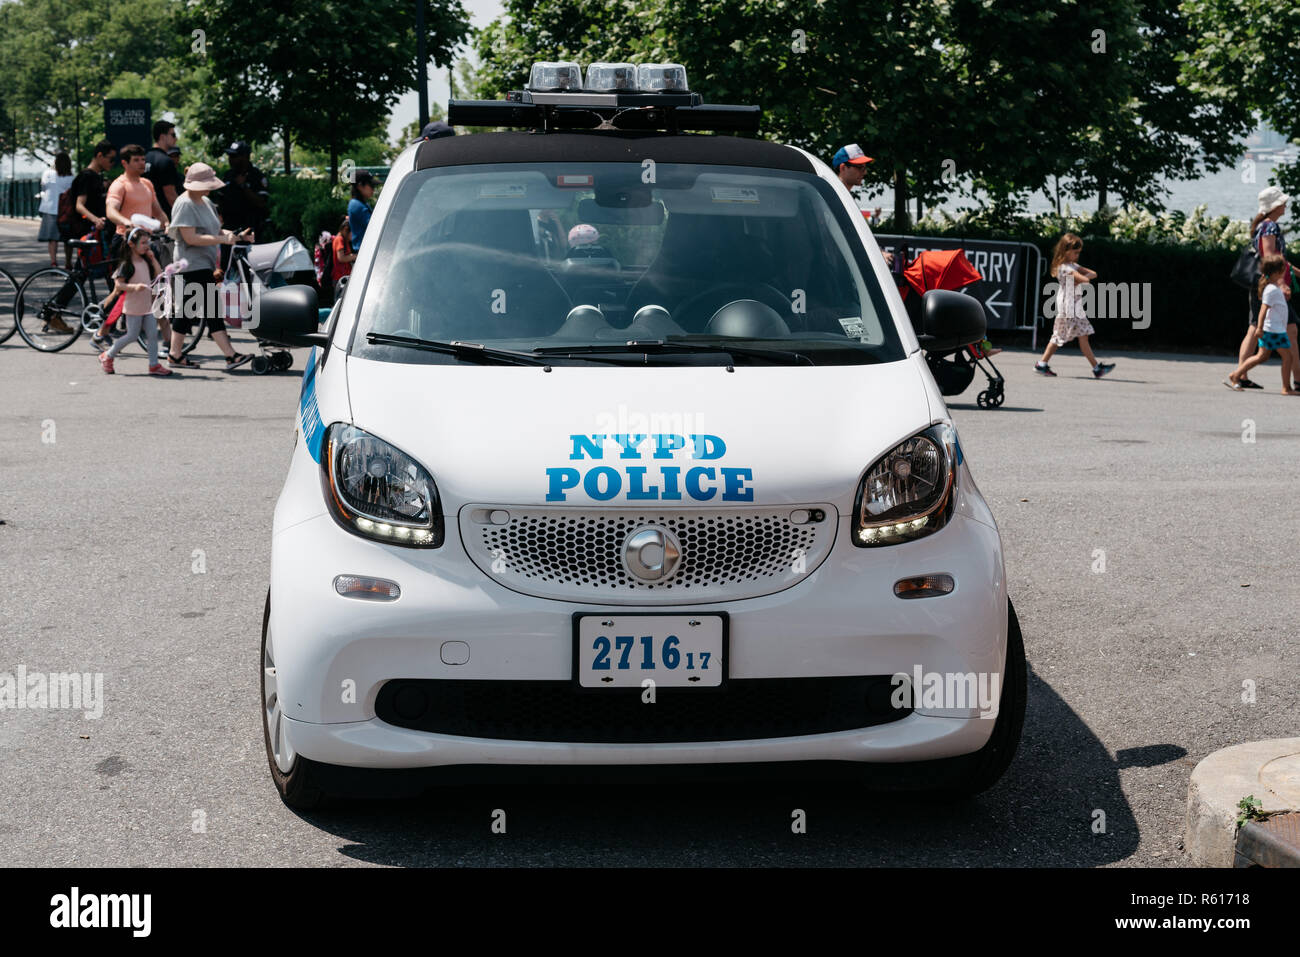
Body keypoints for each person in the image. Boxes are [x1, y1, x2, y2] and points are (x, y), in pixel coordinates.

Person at [166, 162, 254, 370]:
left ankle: (176, 355)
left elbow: (216, 230)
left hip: (201, 264)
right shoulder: (185, 203)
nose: (210, 188)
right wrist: (222, 240)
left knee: (190, 311)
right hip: (190, 265)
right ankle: (229, 356)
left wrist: (237, 236)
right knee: (207, 310)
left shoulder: (205, 201)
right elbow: (191, 238)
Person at [1240, 186, 1300, 391]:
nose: (1285, 205)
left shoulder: (1265, 225)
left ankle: (1241, 375)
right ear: (1275, 206)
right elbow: (1269, 256)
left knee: (1255, 328)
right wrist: (1281, 283)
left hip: (1265, 284)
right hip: (1268, 285)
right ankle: (1240, 375)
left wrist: (1294, 271)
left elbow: (1275, 257)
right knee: (1286, 330)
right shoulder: (1270, 227)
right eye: (1282, 202)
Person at [1035, 233, 1115, 378]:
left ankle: (1096, 368)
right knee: (1060, 336)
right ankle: (1042, 364)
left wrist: (1080, 278)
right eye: (1075, 252)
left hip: (1074, 305)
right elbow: (1086, 280)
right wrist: (1080, 278)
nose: (1077, 255)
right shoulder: (1065, 268)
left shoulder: (1072, 266)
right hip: (1069, 306)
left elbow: (1092, 274)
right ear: (1066, 251)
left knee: (1082, 335)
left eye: (1079, 252)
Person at [98, 227, 171, 376]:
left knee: (152, 335)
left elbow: (158, 274)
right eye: (143, 243)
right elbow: (119, 285)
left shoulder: (146, 261)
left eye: (148, 243)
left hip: (147, 306)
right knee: (131, 335)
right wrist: (134, 287)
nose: (147, 246)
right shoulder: (126, 264)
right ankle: (108, 355)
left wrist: (153, 258)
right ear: (132, 244)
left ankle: (153, 365)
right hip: (133, 307)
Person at [1227, 255, 1298, 394]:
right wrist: (1259, 328)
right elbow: (1263, 310)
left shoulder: (1274, 288)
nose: (1285, 272)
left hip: (1275, 330)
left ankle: (1236, 375)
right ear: (1277, 272)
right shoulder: (1271, 290)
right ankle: (1286, 388)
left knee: (1262, 356)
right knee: (1287, 357)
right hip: (1273, 331)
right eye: (1284, 270)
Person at [106, 144, 169, 242]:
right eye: (136, 160)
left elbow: (158, 212)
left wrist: (166, 224)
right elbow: (110, 211)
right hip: (126, 239)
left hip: (146, 240)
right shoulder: (119, 184)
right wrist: (127, 222)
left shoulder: (147, 183)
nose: (141, 163)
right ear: (124, 163)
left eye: (143, 159)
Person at [213, 141, 269, 237]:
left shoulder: (257, 176)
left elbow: (262, 203)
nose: (230, 159)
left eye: (234, 156)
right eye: (229, 156)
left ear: (245, 157)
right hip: (229, 229)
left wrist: (244, 186)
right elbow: (220, 201)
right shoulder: (228, 175)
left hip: (251, 230)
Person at [68, 139, 116, 240]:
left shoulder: (96, 176)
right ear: (99, 156)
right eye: (111, 159)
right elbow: (79, 205)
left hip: (98, 229)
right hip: (89, 230)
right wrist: (96, 220)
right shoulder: (86, 176)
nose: (112, 163)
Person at [37, 152, 75, 267]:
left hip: (50, 209)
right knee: (67, 238)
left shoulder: (48, 174)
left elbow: (43, 186)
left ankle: (54, 262)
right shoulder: (71, 178)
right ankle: (68, 263)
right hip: (66, 211)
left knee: (52, 239)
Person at [144, 120, 184, 219]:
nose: (176, 138)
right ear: (162, 137)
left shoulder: (143, 158)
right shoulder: (165, 161)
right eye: (173, 135)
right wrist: (185, 216)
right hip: (164, 217)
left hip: (146, 215)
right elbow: (170, 195)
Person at [347, 171, 376, 252]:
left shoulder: (361, 203)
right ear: (360, 186)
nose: (373, 189)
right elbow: (373, 226)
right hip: (363, 251)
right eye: (371, 185)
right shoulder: (356, 205)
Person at [331, 215, 355, 289]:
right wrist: (355, 256)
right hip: (340, 279)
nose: (353, 235)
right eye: (352, 232)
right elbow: (341, 258)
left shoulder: (345, 240)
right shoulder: (339, 239)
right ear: (345, 230)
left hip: (344, 276)